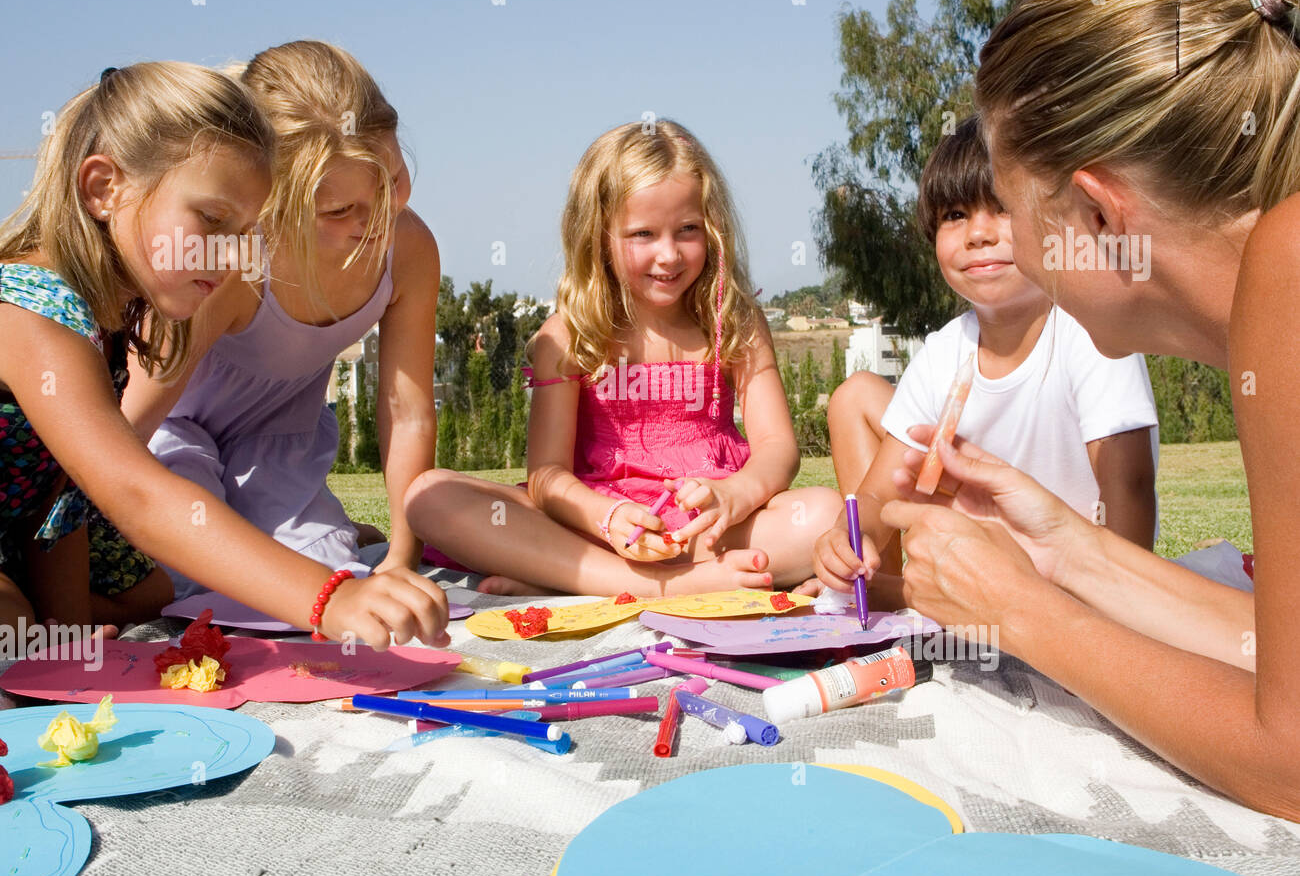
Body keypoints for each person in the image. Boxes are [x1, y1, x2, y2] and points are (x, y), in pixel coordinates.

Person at [861, 0, 1300, 820]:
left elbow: (1290, 761)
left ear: (1097, 213)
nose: (1009, 245)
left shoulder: (1287, 273)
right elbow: (1274, 656)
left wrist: (1023, 614)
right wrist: (1073, 551)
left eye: (1016, 212)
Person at [0, 61, 447, 654]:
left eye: (247, 230)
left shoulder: (107, 319)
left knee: (141, 599)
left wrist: (66, 637)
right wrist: (329, 597)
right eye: (211, 221)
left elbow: (61, 503)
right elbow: (133, 495)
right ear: (104, 189)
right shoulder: (35, 313)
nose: (232, 253)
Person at [406, 120, 842, 595]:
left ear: (713, 228)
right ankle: (663, 586)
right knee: (429, 496)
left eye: (688, 229)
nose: (669, 254)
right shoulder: (570, 334)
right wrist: (607, 517)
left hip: (704, 527)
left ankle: (567, 580)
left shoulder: (734, 320)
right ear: (599, 237)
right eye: (643, 234)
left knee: (826, 514)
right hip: (591, 525)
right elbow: (547, 476)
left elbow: (779, 448)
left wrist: (736, 492)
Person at [121, 42, 442, 621]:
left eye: (391, 181)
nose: (374, 221)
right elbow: (128, 430)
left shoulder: (409, 248)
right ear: (272, 203)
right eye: (339, 211)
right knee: (201, 579)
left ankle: (343, 530)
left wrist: (403, 552)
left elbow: (409, 410)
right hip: (176, 434)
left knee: (328, 573)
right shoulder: (232, 264)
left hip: (278, 443)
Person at [817, 116, 1158, 609]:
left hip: (1084, 584)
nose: (977, 233)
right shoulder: (944, 353)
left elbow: (1129, 488)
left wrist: (1116, 608)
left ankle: (894, 596)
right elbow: (877, 496)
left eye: (1001, 208)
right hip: (982, 577)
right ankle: (878, 593)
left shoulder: (1091, 332)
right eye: (955, 215)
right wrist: (846, 539)